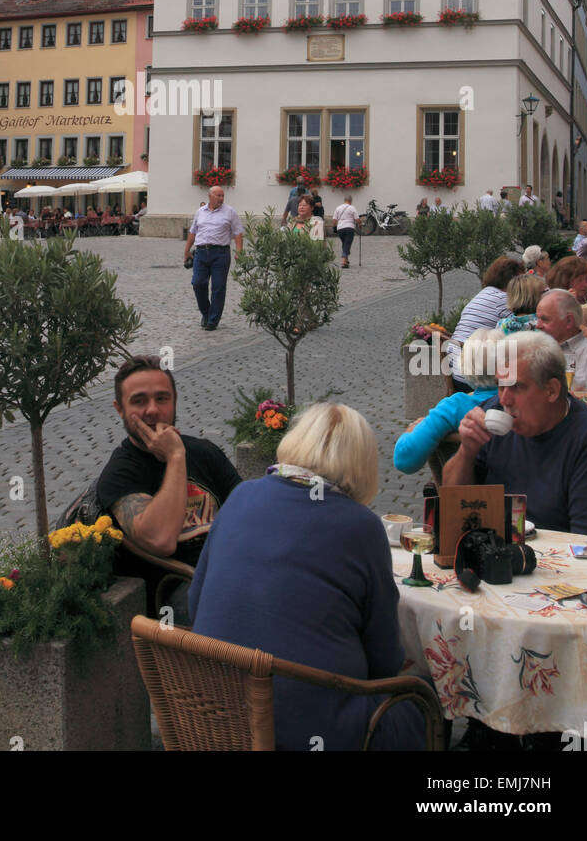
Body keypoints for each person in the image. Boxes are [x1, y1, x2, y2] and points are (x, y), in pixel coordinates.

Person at [189, 403, 426, 751]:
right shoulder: (361, 527)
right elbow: (384, 660)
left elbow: (196, 603)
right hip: (311, 731)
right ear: (361, 466)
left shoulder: (241, 496)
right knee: (424, 698)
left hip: (213, 717)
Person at [96, 356, 241, 614]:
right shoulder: (120, 473)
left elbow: (246, 516)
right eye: (139, 401)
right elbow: (161, 540)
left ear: (174, 402)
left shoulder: (204, 452)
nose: (152, 410)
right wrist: (175, 457)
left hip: (233, 570)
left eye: (162, 399)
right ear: (119, 409)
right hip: (181, 589)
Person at [441, 330, 587, 537]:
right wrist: (466, 451)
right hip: (493, 552)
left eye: (516, 386)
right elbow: (451, 503)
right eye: (500, 386)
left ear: (551, 390)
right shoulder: (494, 413)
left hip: (557, 560)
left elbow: (586, 543)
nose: (505, 399)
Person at [394, 329, 500, 475]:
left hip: (465, 493)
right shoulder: (525, 403)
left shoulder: (454, 407)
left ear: (465, 365)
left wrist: (412, 429)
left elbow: (403, 460)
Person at [444, 256, 523, 388]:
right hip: (473, 376)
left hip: (454, 369)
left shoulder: (484, 293)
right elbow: (521, 326)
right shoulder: (503, 300)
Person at [183, 185, 243, 330]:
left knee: (218, 288)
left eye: (223, 196)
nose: (221, 198)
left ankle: (213, 320)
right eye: (218, 196)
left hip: (220, 254)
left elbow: (238, 233)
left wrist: (239, 252)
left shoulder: (230, 212)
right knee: (198, 284)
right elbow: (193, 232)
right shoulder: (200, 212)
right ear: (210, 196)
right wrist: (186, 251)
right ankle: (206, 312)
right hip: (201, 252)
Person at [534, 289, 587, 389]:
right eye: (537, 319)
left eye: (545, 319)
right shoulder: (534, 352)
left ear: (569, 321)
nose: (537, 325)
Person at [332, 193, 360, 268]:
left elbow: (334, 219)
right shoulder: (352, 208)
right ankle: (344, 262)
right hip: (349, 228)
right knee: (347, 244)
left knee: (345, 243)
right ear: (351, 201)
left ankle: (346, 259)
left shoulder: (338, 208)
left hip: (340, 228)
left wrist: (334, 228)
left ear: (344, 200)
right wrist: (360, 224)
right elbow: (357, 219)